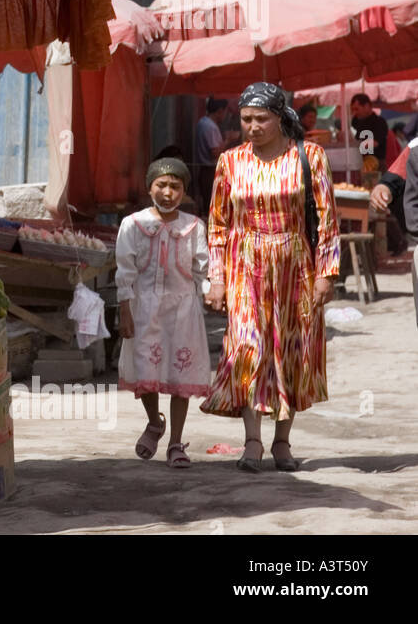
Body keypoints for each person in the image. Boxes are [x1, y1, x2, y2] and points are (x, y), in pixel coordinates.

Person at [203, 83, 339, 472]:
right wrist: (216, 278)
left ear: (280, 117)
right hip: (245, 264)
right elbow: (218, 224)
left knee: (290, 351)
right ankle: (251, 442)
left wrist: (326, 274)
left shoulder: (309, 156)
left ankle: (282, 442)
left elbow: (328, 220)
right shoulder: (230, 162)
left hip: (296, 265)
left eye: (262, 118)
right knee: (248, 350)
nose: (253, 126)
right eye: (246, 119)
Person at [115, 158, 211, 468]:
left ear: (184, 192)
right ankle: (155, 423)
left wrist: (209, 295)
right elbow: (125, 271)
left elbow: (202, 271)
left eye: (175, 187)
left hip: (183, 310)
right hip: (144, 308)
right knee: (147, 371)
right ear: (149, 187)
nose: (168, 192)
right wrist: (125, 310)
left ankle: (175, 442)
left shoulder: (194, 227)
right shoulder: (133, 225)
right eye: (162, 185)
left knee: (179, 373)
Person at [194, 98, 235, 214]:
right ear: (220, 111)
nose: (226, 115)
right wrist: (228, 140)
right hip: (210, 170)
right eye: (226, 112)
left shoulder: (203, 122)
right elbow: (215, 153)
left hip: (206, 170)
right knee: (212, 206)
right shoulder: (210, 126)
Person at [349, 93, 394, 167]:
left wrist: (355, 146)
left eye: (357, 109)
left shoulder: (379, 122)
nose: (354, 112)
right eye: (353, 109)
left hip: (377, 163)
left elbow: (375, 143)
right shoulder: (356, 121)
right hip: (361, 162)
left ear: (366, 106)